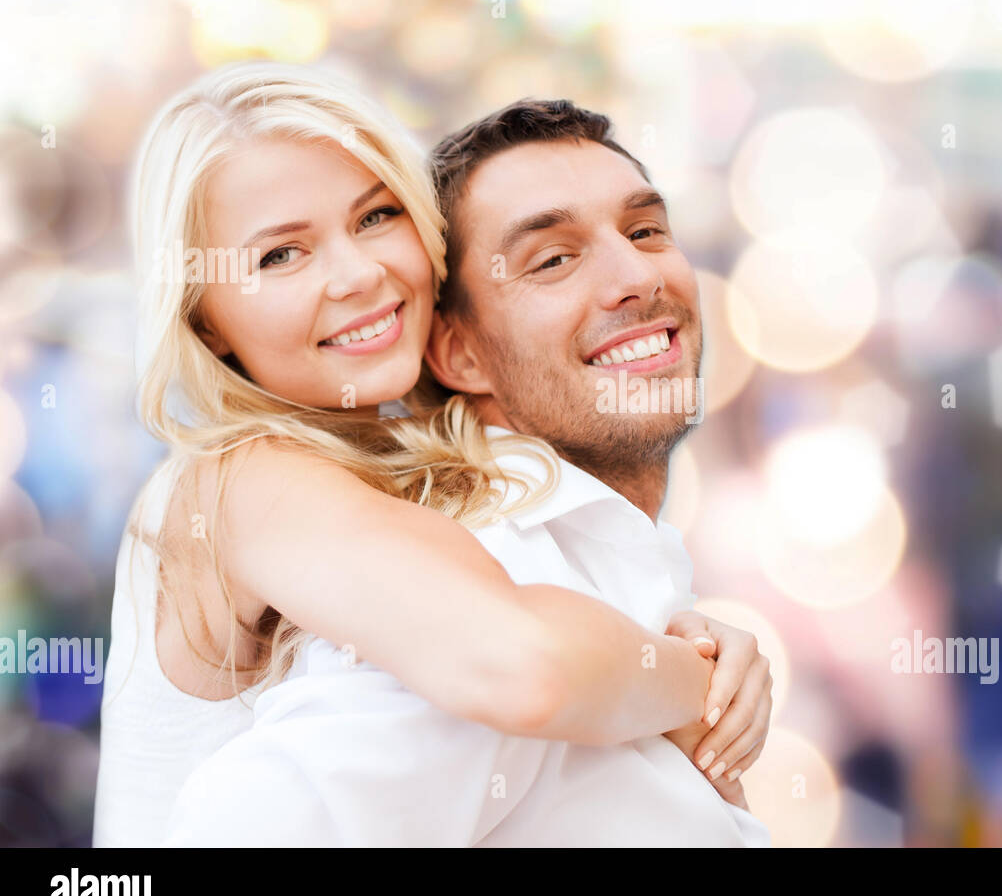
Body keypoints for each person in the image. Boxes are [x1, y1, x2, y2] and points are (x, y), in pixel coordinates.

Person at [94, 66, 770, 847]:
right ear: (204, 321)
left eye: (377, 216)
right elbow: (521, 662)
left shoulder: (414, 490)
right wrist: (701, 676)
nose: (358, 275)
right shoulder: (242, 478)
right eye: (280, 256)